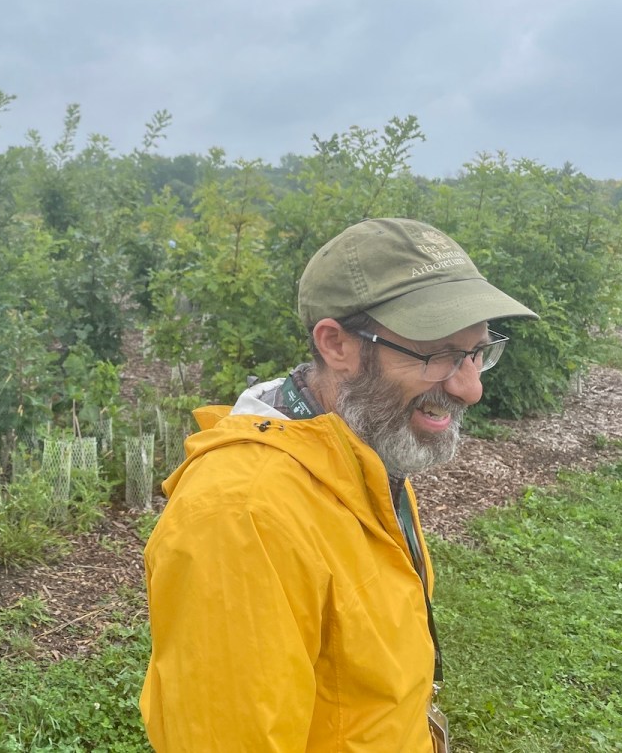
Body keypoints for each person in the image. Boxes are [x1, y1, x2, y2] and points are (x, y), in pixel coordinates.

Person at [140, 218, 537, 752]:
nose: (471, 388)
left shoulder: (365, 449)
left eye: (476, 352)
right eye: (437, 354)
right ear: (337, 345)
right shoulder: (243, 517)